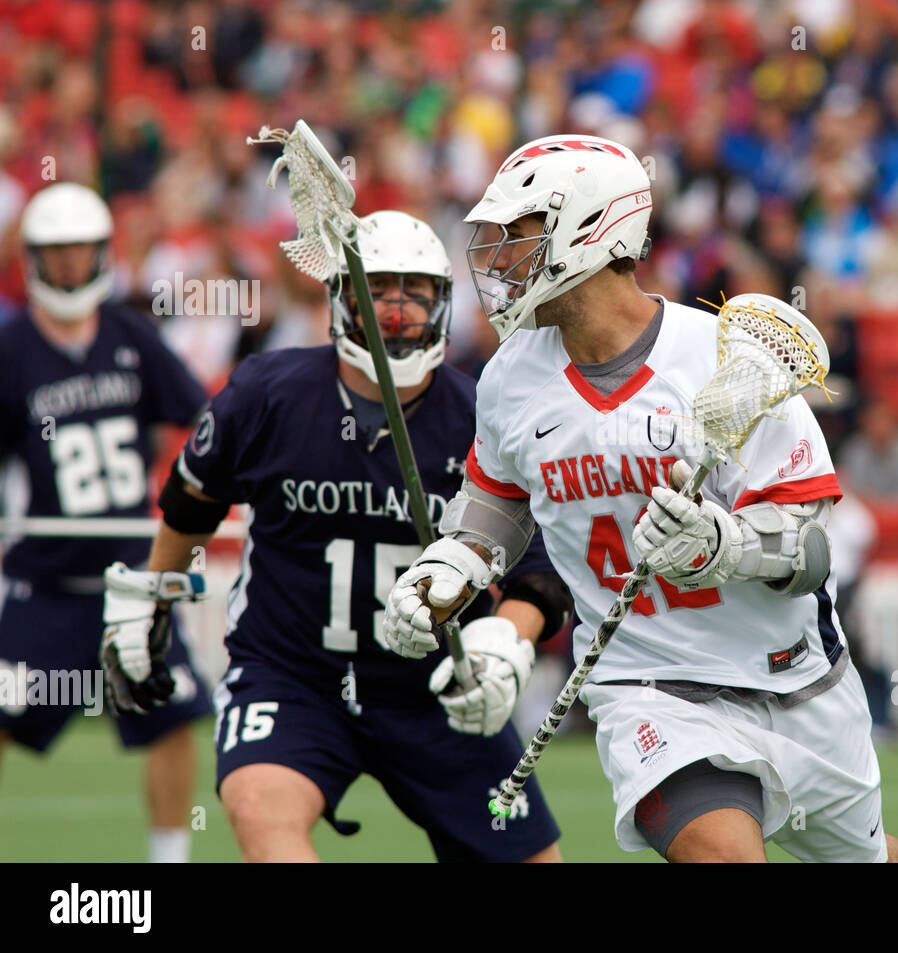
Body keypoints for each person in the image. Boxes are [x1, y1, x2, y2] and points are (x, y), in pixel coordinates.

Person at [382, 134, 898, 863]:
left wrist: (727, 548)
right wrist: (452, 566)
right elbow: (498, 502)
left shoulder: (727, 358)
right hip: (648, 687)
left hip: (795, 679)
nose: (498, 256)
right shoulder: (509, 377)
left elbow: (814, 552)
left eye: (519, 234)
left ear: (589, 231)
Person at [101, 210, 569, 862]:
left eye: (416, 290)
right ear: (342, 297)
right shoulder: (269, 394)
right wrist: (148, 595)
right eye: (378, 288)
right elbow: (191, 499)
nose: (397, 307)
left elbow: (539, 574)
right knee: (263, 814)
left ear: (442, 302)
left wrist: (504, 645)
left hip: (436, 688)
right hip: (293, 677)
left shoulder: (483, 415)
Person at [0, 182, 211, 862]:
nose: (67, 267)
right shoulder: (11, 350)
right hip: (47, 585)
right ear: (34, 259)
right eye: (55, 255)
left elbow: (202, 419)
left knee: (174, 718)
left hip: (133, 584)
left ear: (101, 255)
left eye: (79, 252)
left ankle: (169, 858)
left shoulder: (130, 334)